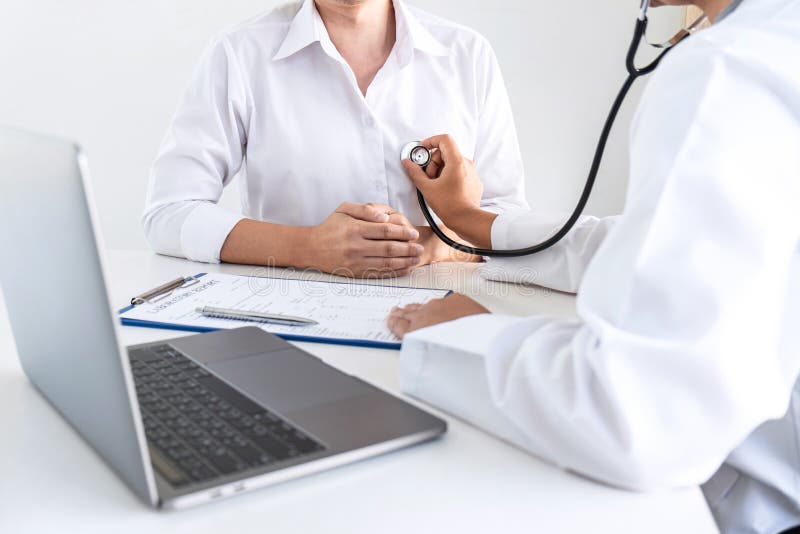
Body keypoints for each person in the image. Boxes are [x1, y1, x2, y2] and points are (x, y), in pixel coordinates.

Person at [387, 0, 800, 532]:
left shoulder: (729, 70)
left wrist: (465, 335)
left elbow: (641, 415)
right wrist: (471, 221)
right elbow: (658, 244)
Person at [142, 0, 527, 278]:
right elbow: (168, 214)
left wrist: (429, 247)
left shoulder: (466, 54)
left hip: (437, 325)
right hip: (292, 324)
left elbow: (511, 222)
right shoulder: (240, 52)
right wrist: (308, 247)